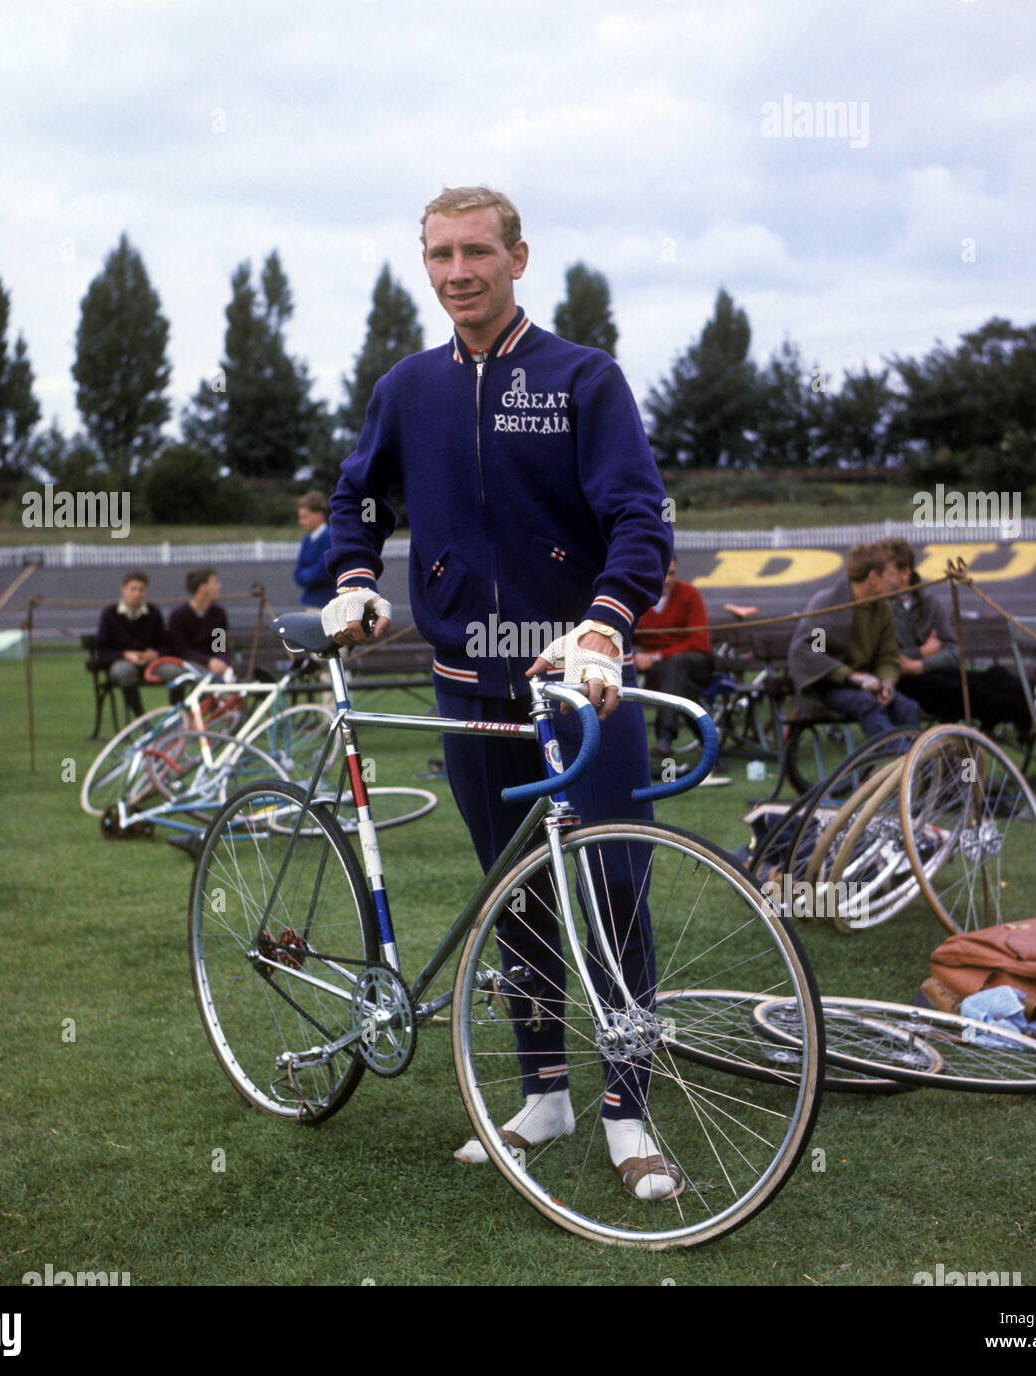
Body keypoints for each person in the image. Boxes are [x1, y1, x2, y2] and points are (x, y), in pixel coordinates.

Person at [321, 185, 678, 1200]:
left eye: (477, 251)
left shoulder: (582, 378)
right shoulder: (405, 387)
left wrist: (604, 622)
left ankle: (630, 1109)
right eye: (438, 254)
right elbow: (357, 494)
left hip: (577, 684)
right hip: (463, 685)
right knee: (512, 894)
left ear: (519, 257)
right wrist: (354, 576)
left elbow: (638, 519)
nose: (456, 272)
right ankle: (545, 1094)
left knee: (612, 895)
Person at [877, 538, 1031, 736]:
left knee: (992, 676)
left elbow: (953, 654)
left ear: (905, 573)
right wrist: (923, 651)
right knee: (966, 690)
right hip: (903, 682)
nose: (879, 579)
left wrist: (920, 664)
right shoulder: (881, 608)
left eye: (886, 573)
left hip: (929, 672)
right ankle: (1026, 708)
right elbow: (890, 658)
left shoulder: (929, 603)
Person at [787, 541, 921, 737]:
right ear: (873, 577)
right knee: (867, 703)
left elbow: (888, 656)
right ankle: (898, 760)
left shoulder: (882, 608)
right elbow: (814, 652)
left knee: (909, 708)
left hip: (868, 686)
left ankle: (918, 761)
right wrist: (850, 675)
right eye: (888, 575)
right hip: (829, 687)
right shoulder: (828, 605)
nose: (893, 582)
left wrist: (887, 683)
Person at [633, 558, 713, 754]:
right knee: (684, 690)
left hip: (696, 663)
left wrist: (657, 656)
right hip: (662, 672)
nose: (667, 580)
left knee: (674, 665)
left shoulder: (689, 594)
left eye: (671, 574)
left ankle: (665, 736)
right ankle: (712, 748)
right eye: (663, 574)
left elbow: (700, 641)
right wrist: (636, 656)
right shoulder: (638, 598)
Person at [94, 570, 166, 719]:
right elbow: (102, 650)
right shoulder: (109, 614)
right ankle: (142, 721)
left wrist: (156, 653)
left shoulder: (154, 613)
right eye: (133, 589)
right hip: (123, 662)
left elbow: (169, 644)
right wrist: (125, 655)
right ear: (123, 589)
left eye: (141, 589)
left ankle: (180, 720)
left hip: (154, 663)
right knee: (124, 672)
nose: (137, 594)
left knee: (181, 673)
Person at [167, 568, 233, 681]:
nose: (219, 586)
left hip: (214, 663)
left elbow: (220, 645)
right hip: (188, 663)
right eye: (215, 583)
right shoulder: (179, 614)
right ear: (203, 587)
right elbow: (182, 650)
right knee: (206, 678)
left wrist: (221, 660)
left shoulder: (218, 613)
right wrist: (209, 661)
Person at [292, 491, 333, 608]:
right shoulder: (307, 539)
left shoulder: (329, 538)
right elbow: (297, 574)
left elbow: (323, 572)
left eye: (305, 517)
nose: (301, 522)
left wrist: (306, 575)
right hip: (310, 602)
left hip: (328, 604)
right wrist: (309, 575)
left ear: (319, 515)